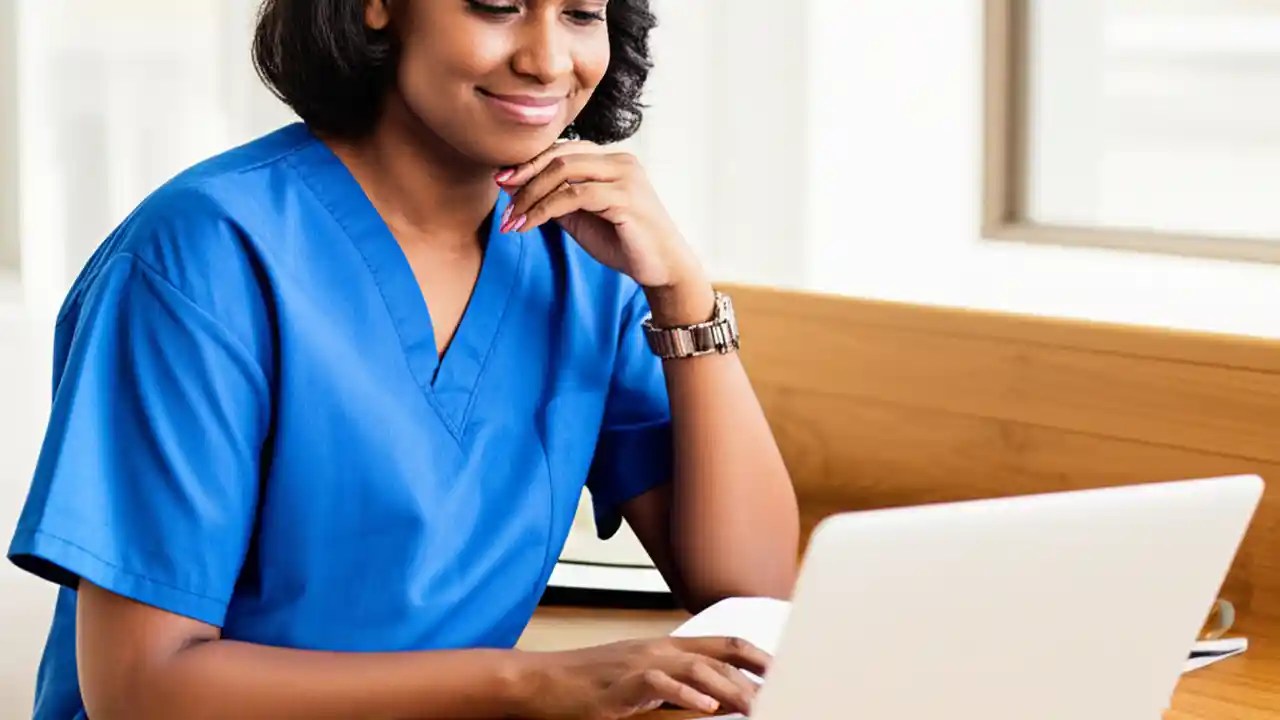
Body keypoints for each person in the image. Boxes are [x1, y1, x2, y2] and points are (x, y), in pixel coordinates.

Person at [6, 1, 800, 718]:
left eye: (582, 14)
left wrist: (683, 296)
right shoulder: (203, 257)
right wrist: (527, 683)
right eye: (497, 7)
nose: (548, 60)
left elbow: (749, 593)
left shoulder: (582, 262)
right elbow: (145, 689)